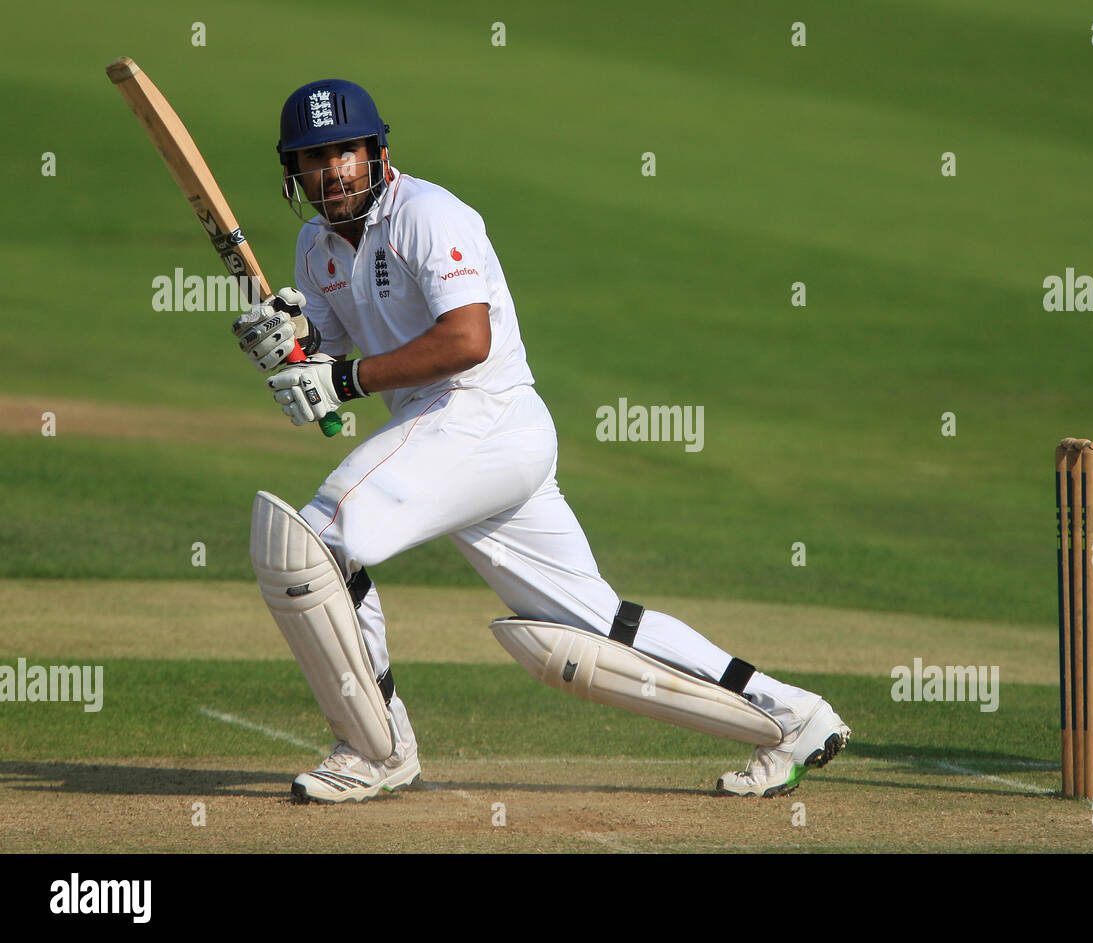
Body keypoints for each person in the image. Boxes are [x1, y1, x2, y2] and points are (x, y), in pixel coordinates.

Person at [232, 78, 849, 803]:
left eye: (345, 150)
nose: (332, 168)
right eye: (314, 157)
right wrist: (290, 348)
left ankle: (376, 746)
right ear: (294, 172)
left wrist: (345, 381)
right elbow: (331, 375)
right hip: (453, 442)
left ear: (377, 151)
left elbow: (466, 339)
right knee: (595, 629)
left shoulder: (429, 215)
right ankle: (793, 715)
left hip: (478, 415)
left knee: (315, 544)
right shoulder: (315, 248)